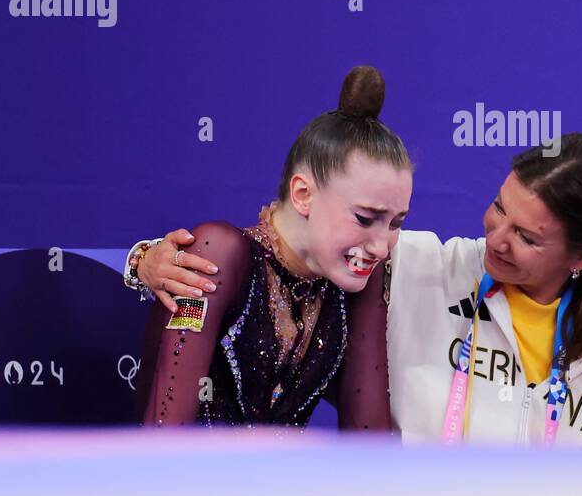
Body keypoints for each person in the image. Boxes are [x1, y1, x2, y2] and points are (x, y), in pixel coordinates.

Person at [136, 133, 582, 445]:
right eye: (500, 208)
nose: (496, 238)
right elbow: (305, 236)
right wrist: (146, 259)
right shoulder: (411, 265)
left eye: (528, 237)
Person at [129, 65, 408, 429]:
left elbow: (371, 448)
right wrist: (140, 260)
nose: (381, 247)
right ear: (303, 195)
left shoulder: (355, 280)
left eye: (396, 223)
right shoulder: (219, 254)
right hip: (183, 484)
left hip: (283, 486)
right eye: (364, 218)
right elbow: (165, 441)